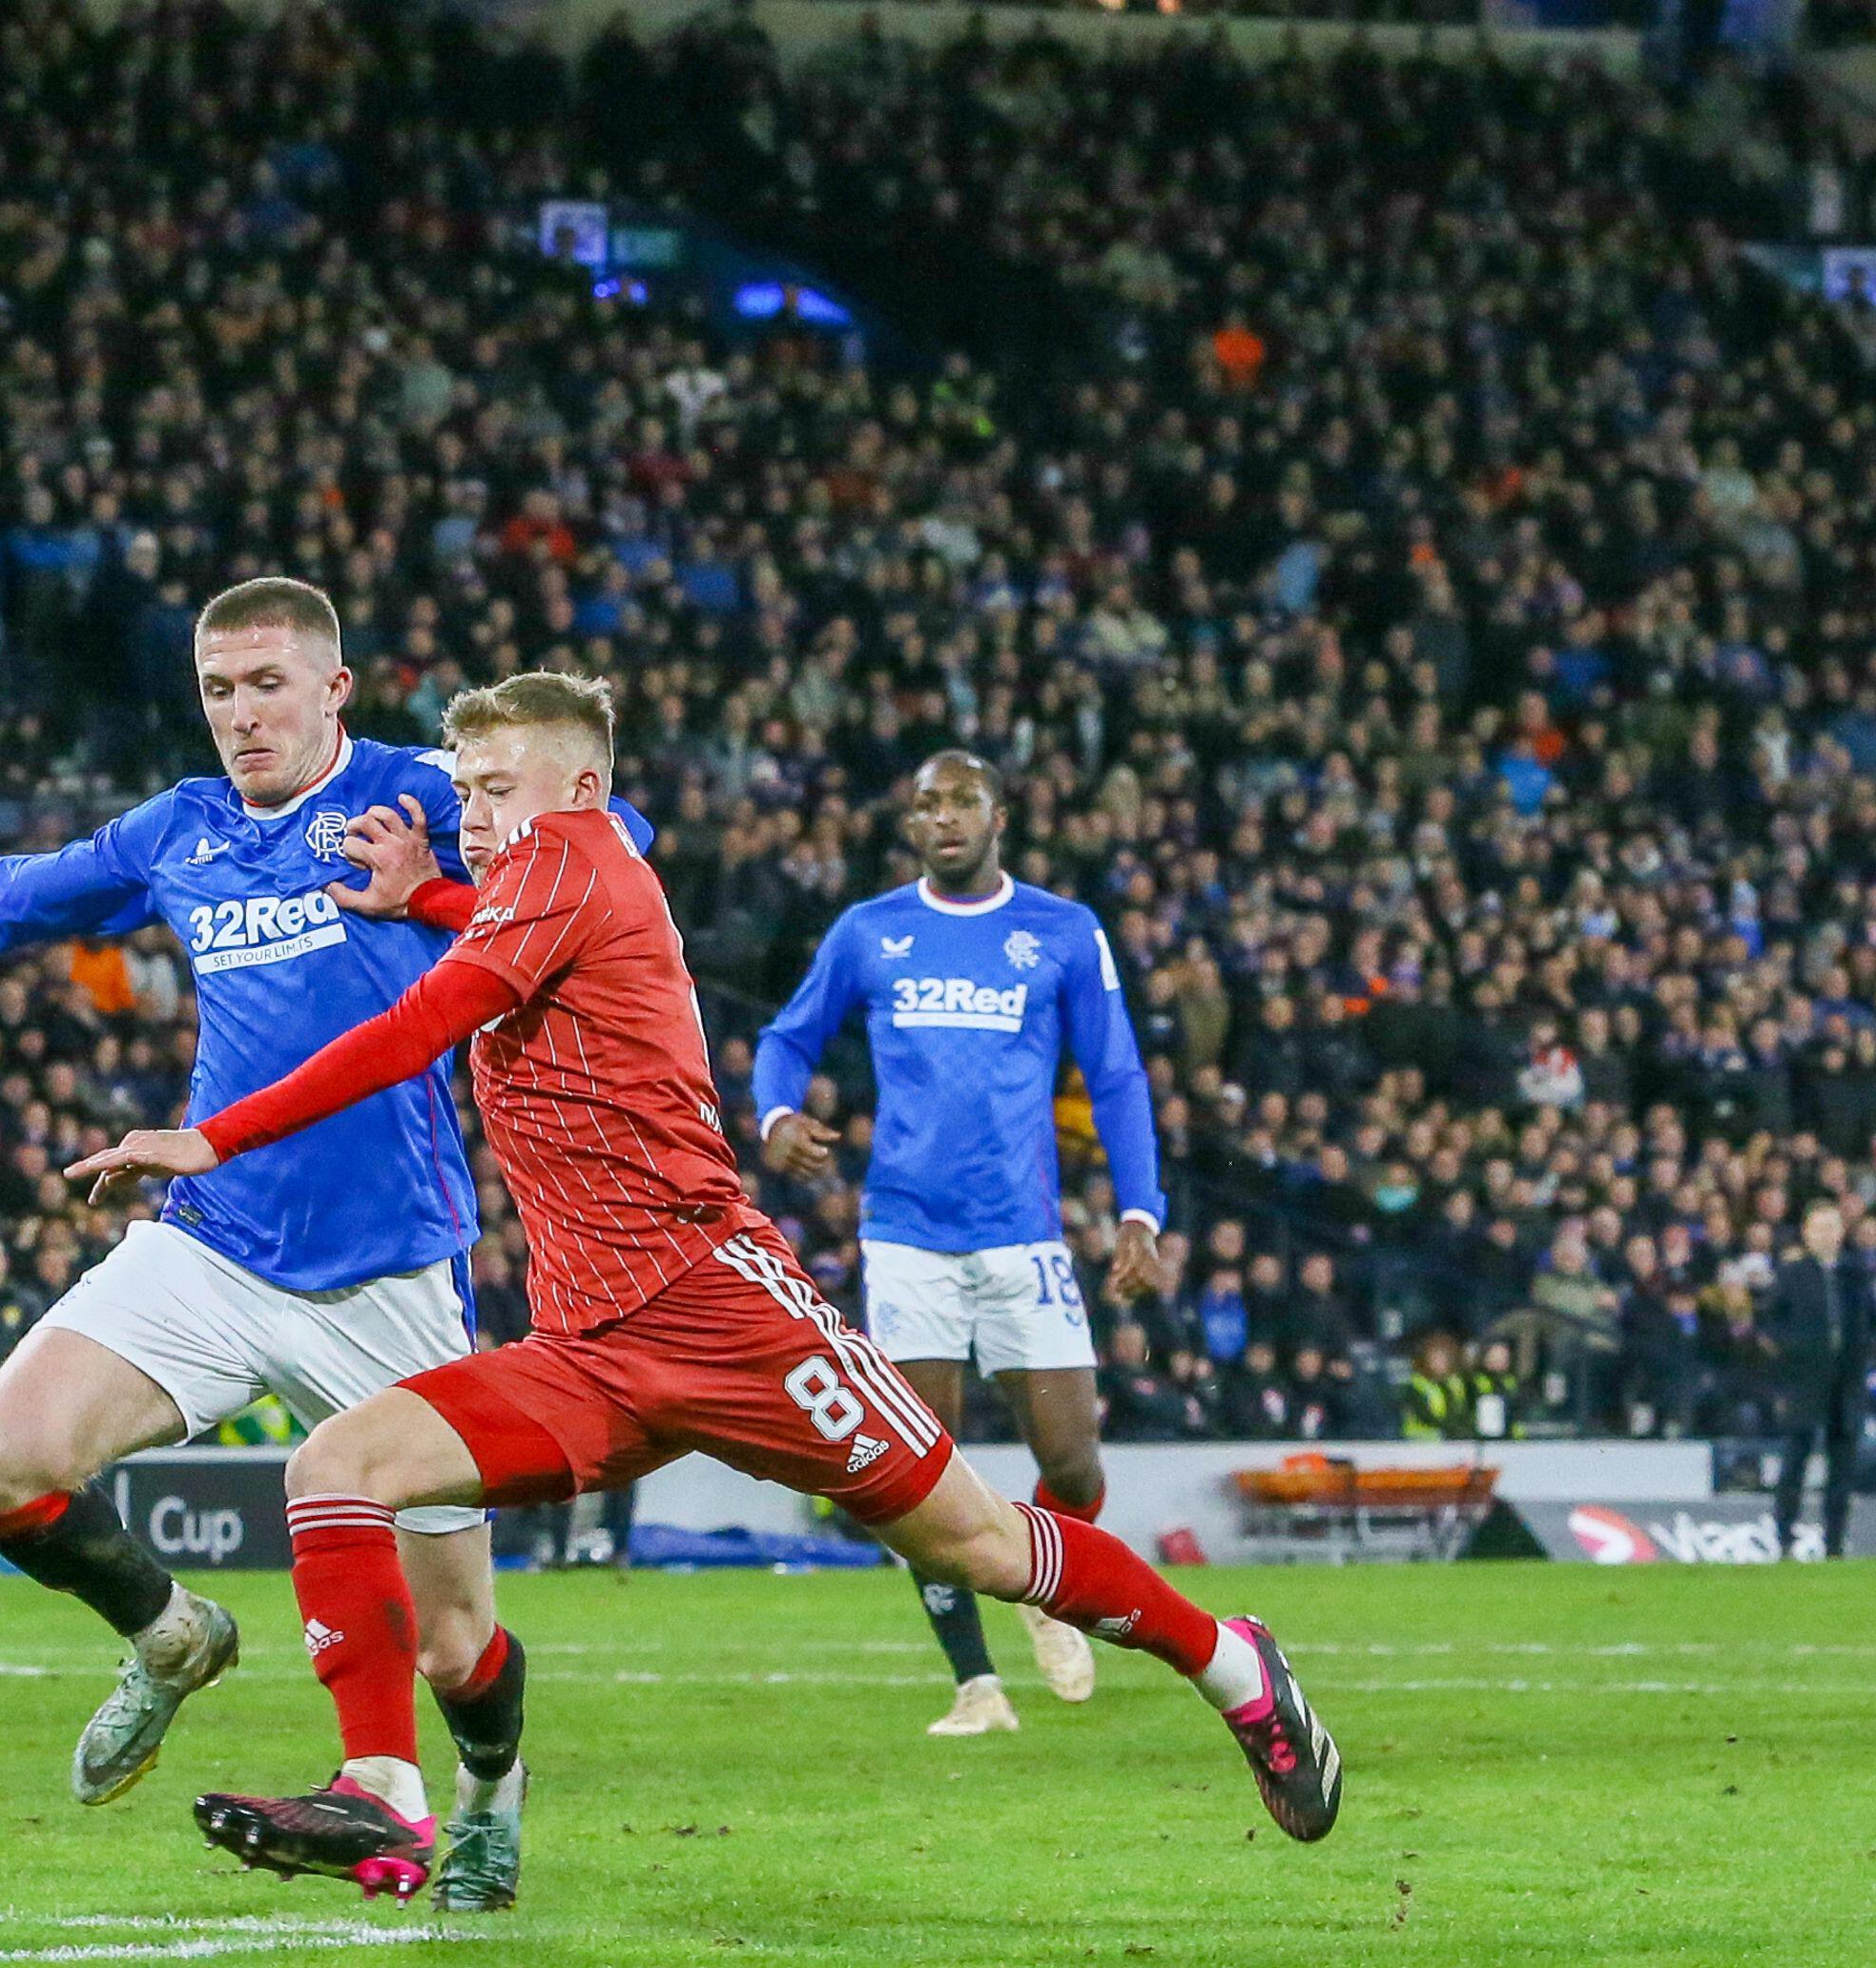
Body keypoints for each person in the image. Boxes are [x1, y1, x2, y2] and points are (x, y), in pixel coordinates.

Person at [73, 670, 1340, 1904]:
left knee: (981, 1542)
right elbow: (500, 942)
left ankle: (1232, 1664)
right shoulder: (533, 888)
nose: (472, 809)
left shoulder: (573, 855)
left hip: (728, 1316)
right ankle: (381, 1786)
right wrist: (432, 897)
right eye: (463, 785)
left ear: (574, 787)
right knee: (337, 1467)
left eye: (496, 784)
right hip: (590, 1349)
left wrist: (217, 1135)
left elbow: (421, 1028)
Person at [0, 577, 650, 1851]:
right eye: (219, 689)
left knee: (453, 1643)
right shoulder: (184, 830)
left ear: (335, 688)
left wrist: (445, 871)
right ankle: (171, 1636)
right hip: (211, 1241)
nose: (241, 715)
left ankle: (490, 1789)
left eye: (269, 684)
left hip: (389, 1275)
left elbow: (623, 842)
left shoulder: (422, 790)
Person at [752, 752, 1161, 1736]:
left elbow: (1117, 1076)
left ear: (999, 816)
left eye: (963, 801)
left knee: (1073, 1458)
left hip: (1023, 1236)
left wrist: (1142, 1212)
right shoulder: (871, 931)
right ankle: (976, 1684)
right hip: (908, 1239)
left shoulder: (1062, 933)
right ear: (912, 822)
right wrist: (772, 1116)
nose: (945, 817)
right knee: (915, 1474)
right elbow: (787, 1038)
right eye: (927, 802)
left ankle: (1036, 1578)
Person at [1763, 1199, 1875, 1561]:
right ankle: (1784, 1540)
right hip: (1805, 1383)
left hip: (1847, 1383)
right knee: (1794, 1461)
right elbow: (1768, 1322)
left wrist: (1863, 1357)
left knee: (1842, 1466)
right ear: (1807, 1234)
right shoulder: (1792, 1275)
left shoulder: (1857, 1274)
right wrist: (1793, 1353)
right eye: (1820, 1227)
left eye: (1833, 1226)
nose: (1827, 1234)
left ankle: (1835, 1543)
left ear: (1842, 1232)